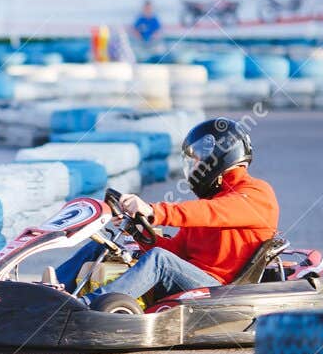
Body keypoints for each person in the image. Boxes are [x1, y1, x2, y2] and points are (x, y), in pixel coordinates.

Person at [57, 118, 278, 308]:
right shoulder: (210, 202)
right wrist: (137, 229)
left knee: (160, 260)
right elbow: (177, 252)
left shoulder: (256, 193)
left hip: (218, 287)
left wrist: (153, 211)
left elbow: (214, 213)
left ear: (218, 157)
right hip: (187, 276)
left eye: (199, 159)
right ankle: (50, 292)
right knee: (102, 245)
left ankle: (87, 305)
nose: (195, 166)